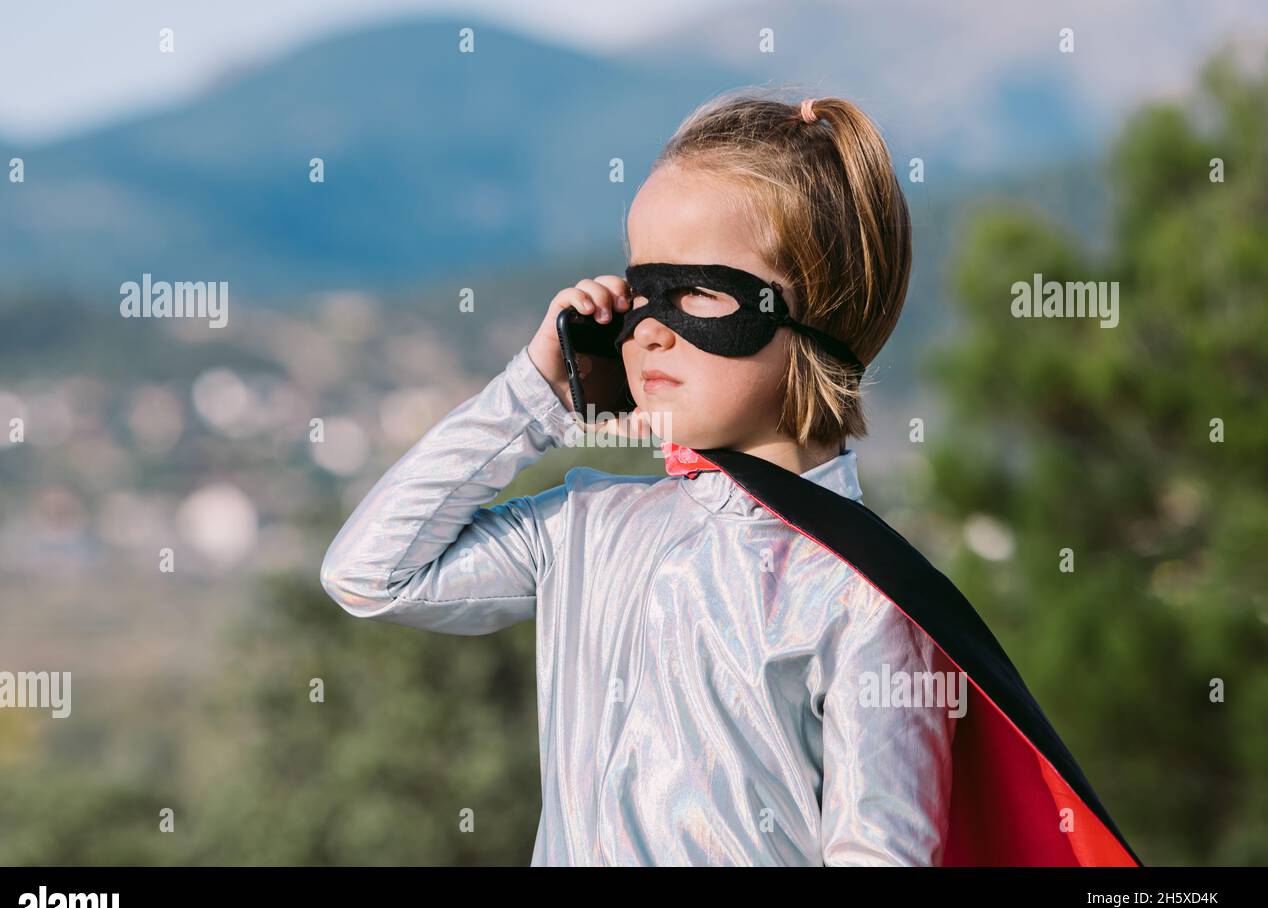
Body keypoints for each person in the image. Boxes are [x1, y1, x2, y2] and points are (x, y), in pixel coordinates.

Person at [320, 92, 1128, 866]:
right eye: (639, 293)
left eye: (697, 292)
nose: (650, 332)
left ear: (819, 313)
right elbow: (371, 576)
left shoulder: (865, 603)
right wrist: (534, 395)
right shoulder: (582, 528)